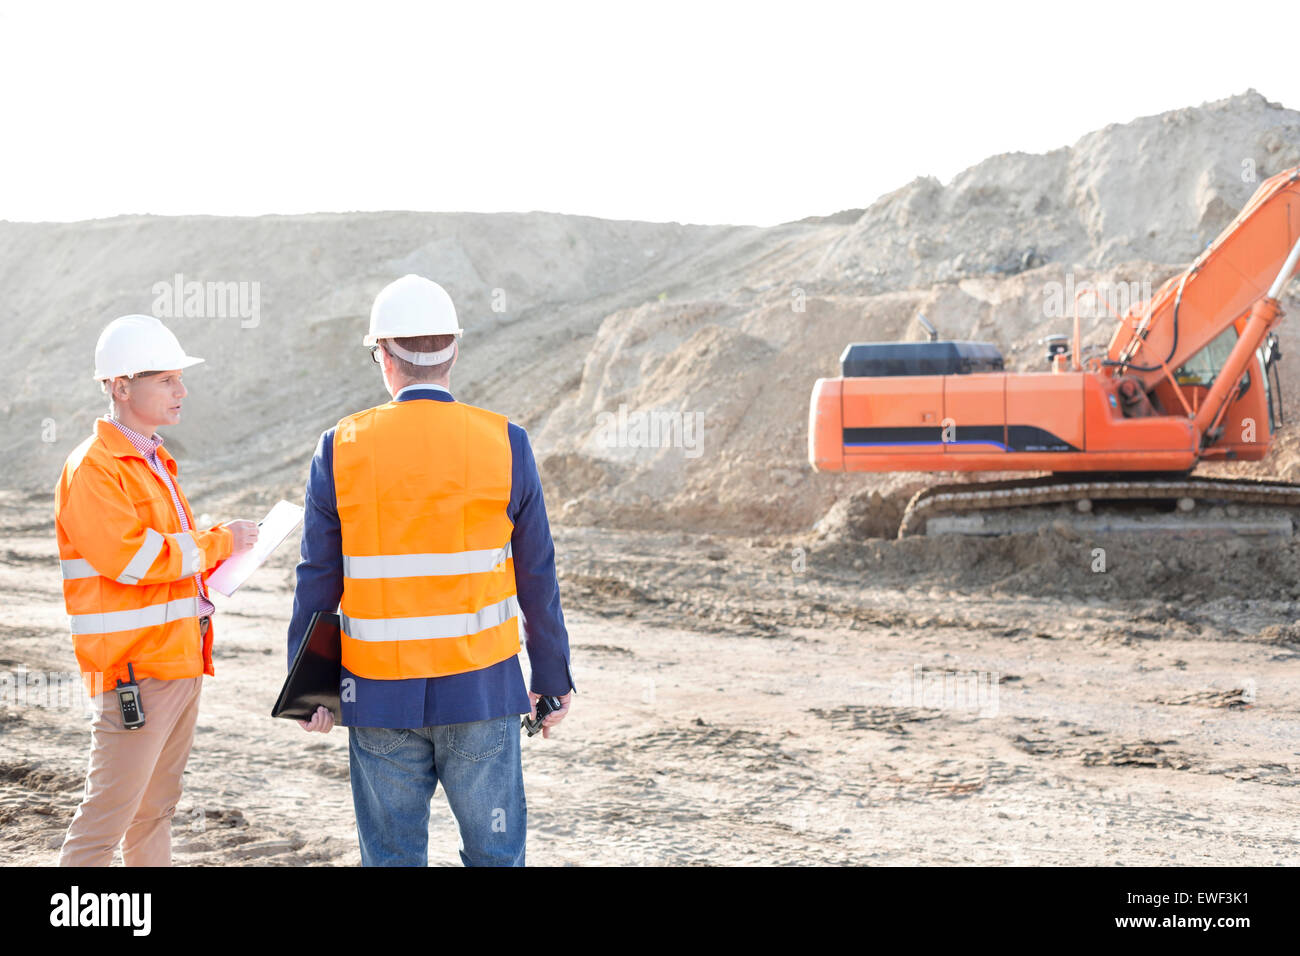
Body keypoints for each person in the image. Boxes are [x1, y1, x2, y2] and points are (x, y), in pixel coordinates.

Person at [288, 274, 575, 867]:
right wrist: (552, 675)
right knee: (496, 856)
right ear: (454, 352)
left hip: (377, 699)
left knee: (390, 859)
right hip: (482, 693)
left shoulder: (340, 446)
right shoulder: (506, 443)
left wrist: (310, 689)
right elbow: (537, 578)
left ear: (383, 356)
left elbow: (317, 581)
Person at [55, 314, 259, 866]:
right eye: (166, 379)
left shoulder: (152, 461)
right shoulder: (94, 468)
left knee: (153, 813)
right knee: (104, 824)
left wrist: (213, 570)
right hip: (135, 675)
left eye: (179, 378)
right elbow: (133, 558)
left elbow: (171, 561)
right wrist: (220, 541)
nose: (182, 390)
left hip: (177, 664)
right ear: (122, 387)